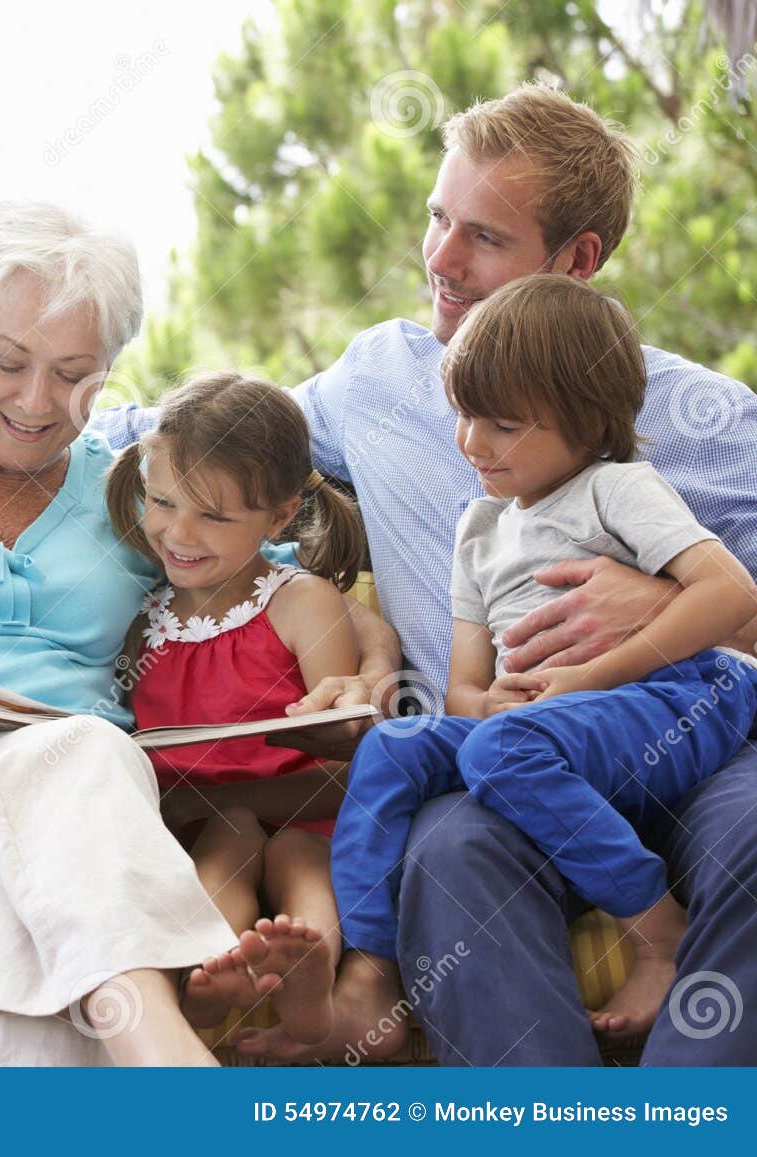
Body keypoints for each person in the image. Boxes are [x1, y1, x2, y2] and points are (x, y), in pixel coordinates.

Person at [95, 84, 757, 1064]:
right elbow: (197, 434)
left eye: (483, 237)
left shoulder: (705, 419)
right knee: (447, 853)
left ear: (577, 260)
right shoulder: (381, 380)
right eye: (437, 218)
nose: (440, 261)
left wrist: (671, 605)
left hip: (688, 738)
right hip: (505, 751)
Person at [0, 200, 400, 1065]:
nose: (36, 401)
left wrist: (376, 663)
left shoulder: (135, 491)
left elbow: (281, 578)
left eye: (71, 374)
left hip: (75, 829)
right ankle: (170, 1058)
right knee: (88, 749)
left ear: (108, 373)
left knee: (13, 914)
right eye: (10, 362)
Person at [324, 273, 757, 1056]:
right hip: (553, 724)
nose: (471, 444)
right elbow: (463, 684)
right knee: (394, 747)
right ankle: (373, 961)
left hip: (681, 694)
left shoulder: (617, 488)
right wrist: (489, 705)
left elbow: (728, 591)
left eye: (502, 425)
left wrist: (581, 681)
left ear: (588, 424)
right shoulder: (480, 527)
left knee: (505, 749)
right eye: (463, 416)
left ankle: (658, 936)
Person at [105, 372, 368, 1046]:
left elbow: (345, 759)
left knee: (291, 856)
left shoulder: (299, 602)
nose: (179, 533)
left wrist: (240, 801)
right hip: (182, 832)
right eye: (161, 501)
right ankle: (218, 967)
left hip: (299, 817)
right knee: (227, 839)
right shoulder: (144, 620)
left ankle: (307, 962)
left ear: (279, 517)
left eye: (214, 516)